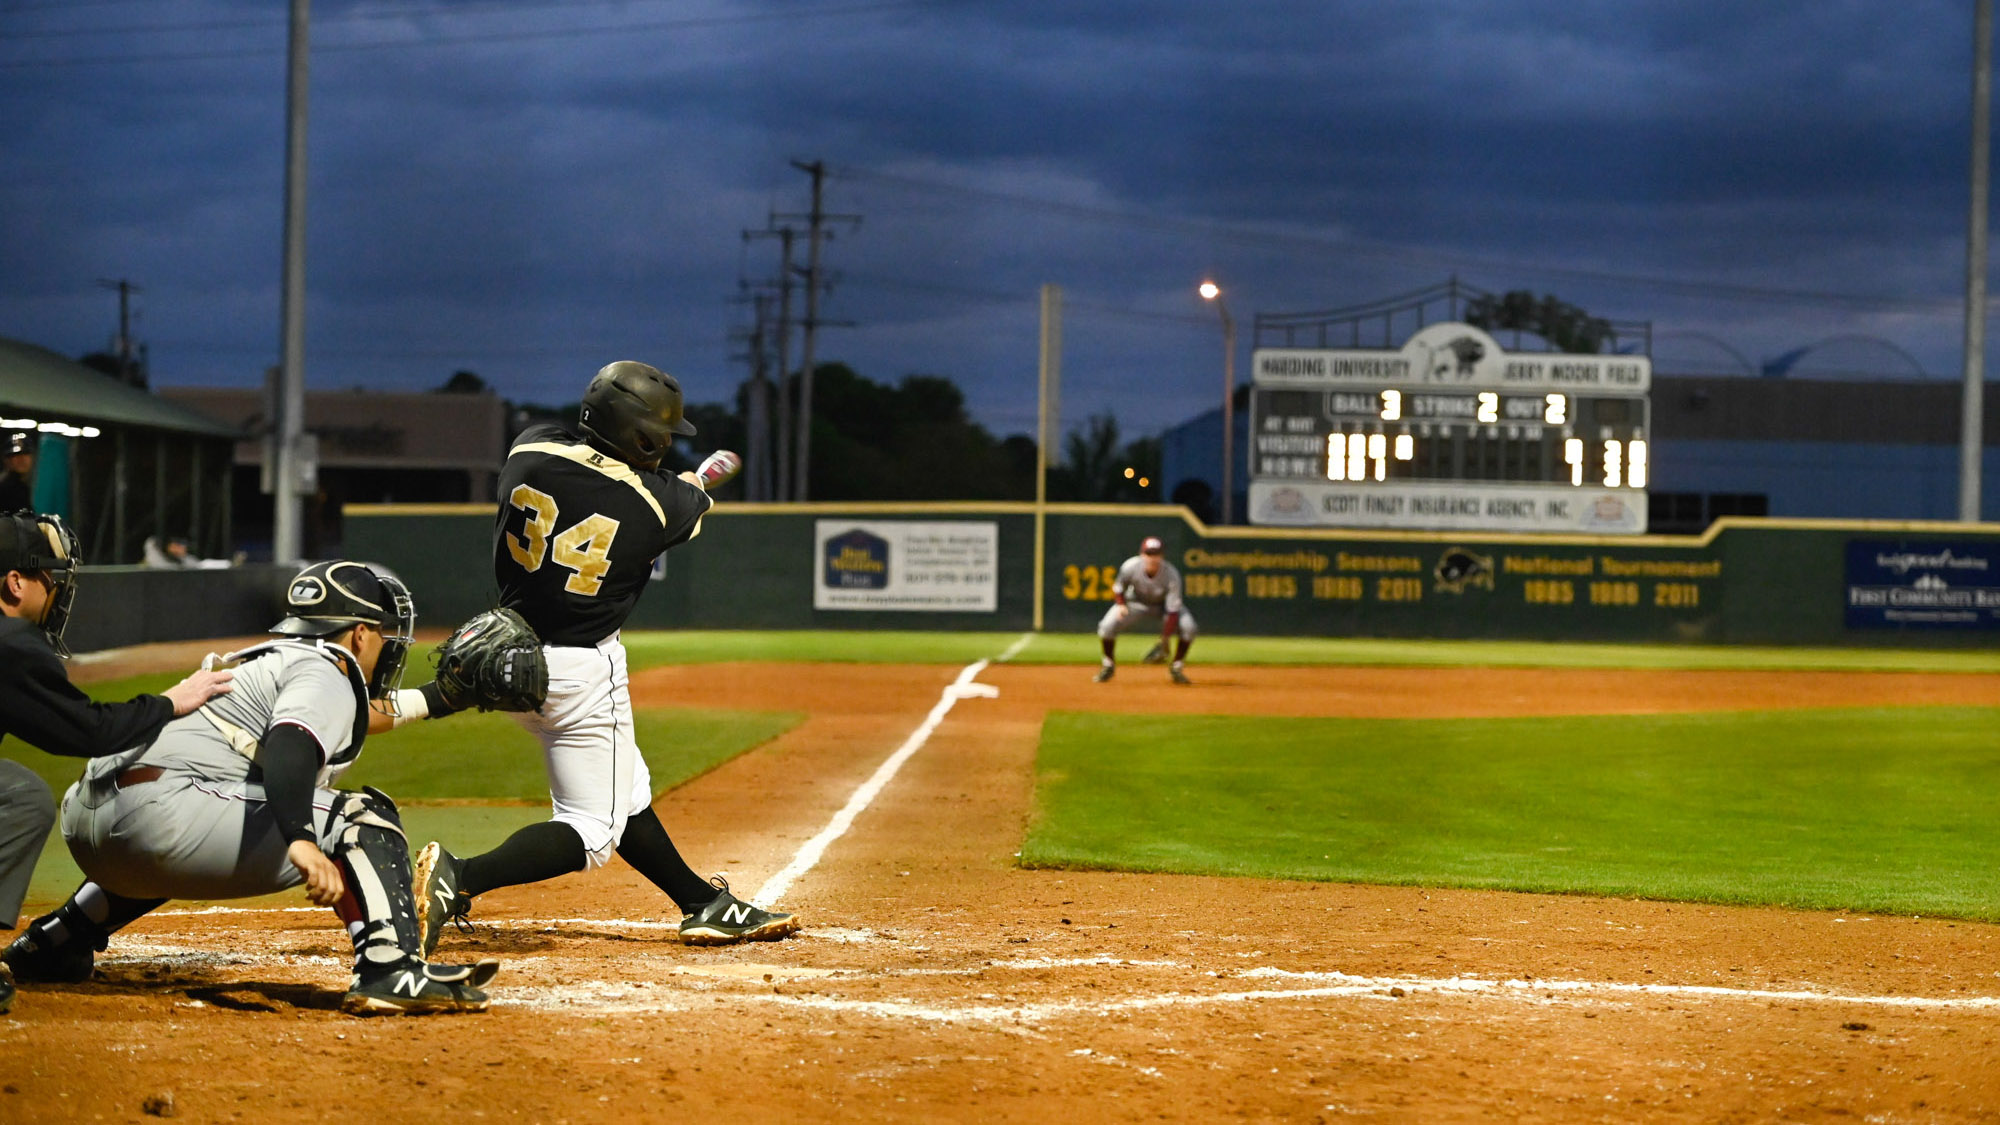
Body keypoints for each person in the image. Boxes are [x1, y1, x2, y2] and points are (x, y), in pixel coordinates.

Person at [411, 360, 797, 957]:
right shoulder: (661, 504)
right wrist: (692, 482)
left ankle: (702, 903)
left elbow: (595, 469)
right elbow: (681, 499)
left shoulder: (530, 447)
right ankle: (459, 878)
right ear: (641, 437)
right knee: (592, 830)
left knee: (625, 789)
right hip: (581, 673)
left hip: (504, 657)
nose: (665, 442)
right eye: (660, 434)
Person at [3, 560, 501, 1015]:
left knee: (211, 812)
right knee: (362, 817)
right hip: (160, 821)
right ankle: (390, 968)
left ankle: (57, 939)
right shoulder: (327, 669)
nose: (388, 644)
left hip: (93, 823)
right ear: (359, 634)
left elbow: (344, 717)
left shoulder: (277, 660)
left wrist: (441, 698)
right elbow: (291, 743)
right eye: (382, 632)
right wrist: (301, 839)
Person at [0, 511, 233, 1016]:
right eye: (49, 578)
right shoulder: (11, 643)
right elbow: (88, 730)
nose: (58, 590)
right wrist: (171, 702)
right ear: (15, 582)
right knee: (21, 797)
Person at [1094, 535, 1199, 684]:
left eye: (1156, 554)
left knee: (1189, 627)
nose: (1152, 558)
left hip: (1163, 606)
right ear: (1142, 554)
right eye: (1149, 554)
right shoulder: (1130, 566)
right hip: (1136, 603)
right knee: (1106, 626)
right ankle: (1108, 665)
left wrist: (1165, 639)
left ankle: (1176, 667)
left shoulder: (1171, 575)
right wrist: (1121, 604)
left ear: (1162, 556)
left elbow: (1173, 611)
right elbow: (1118, 587)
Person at [0, 434, 33, 512]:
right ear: (6, 460)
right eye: (15, 455)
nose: (22, 459)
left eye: (26, 453)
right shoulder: (4, 489)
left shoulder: (24, 486)